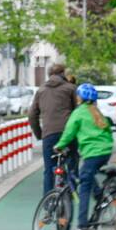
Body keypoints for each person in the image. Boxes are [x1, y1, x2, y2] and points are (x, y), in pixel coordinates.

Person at [56, 84, 115, 230]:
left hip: (92, 153)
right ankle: (99, 196)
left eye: (77, 96)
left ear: (81, 98)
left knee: (83, 185)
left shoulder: (79, 112)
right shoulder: (98, 113)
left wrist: (59, 146)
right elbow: (108, 131)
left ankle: (82, 226)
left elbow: (69, 132)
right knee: (87, 174)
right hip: (105, 152)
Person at [28, 63, 78, 195]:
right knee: (72, 163)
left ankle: (48, 202)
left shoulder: (41, 90)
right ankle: (72, 193)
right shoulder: (70, 88)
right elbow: (77, 113)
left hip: (49, 134)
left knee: (49, 169)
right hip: (68, 133)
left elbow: (32, 115)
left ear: (49, 75)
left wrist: (40, 134)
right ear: (63, 73)